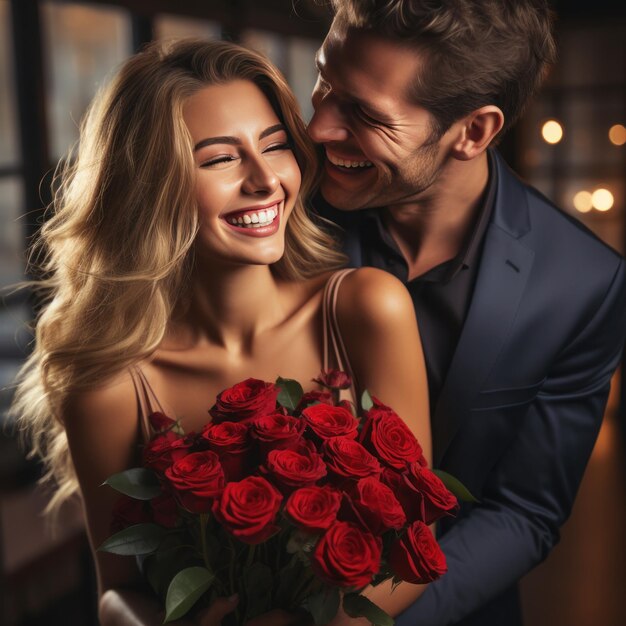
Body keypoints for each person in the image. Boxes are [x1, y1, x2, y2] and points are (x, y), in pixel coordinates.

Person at [10, 38, 432, 626]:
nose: (265, 180)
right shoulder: (109, 387)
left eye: (276, 146)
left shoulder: (369, 307)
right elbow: (116, 594)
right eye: (219, 159)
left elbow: (417, 537)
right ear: (149, 187)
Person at [307, 1, 626, 625]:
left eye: (364, 114)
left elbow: (524, 512)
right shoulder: (276, 214)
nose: (317, 127)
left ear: (473, 132)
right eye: (322, 84)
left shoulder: (584, 283)